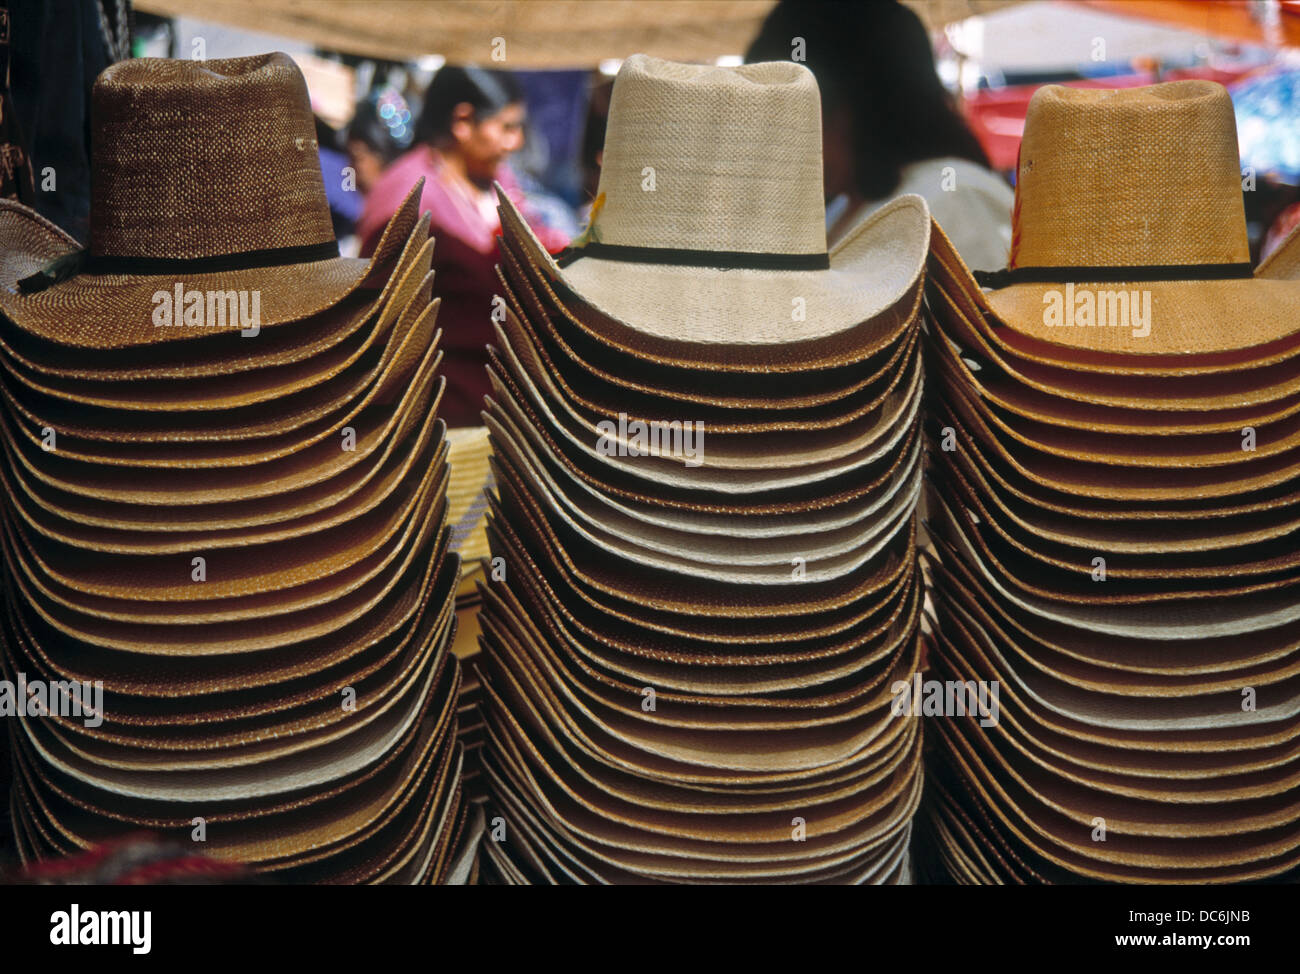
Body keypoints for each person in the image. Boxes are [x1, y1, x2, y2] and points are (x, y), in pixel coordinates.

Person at [358, 66, 568, 427]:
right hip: (441, 417)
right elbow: (382, 322)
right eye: (507, 127)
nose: (516, 142)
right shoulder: (404, 198)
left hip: (511, 406)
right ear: (463, 121)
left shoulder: (497, 179)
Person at [746, 0, 1013, 273]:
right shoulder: (846, 208)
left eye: (790, 112)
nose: (779, 139)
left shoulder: (952, 201)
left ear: (857, 106)